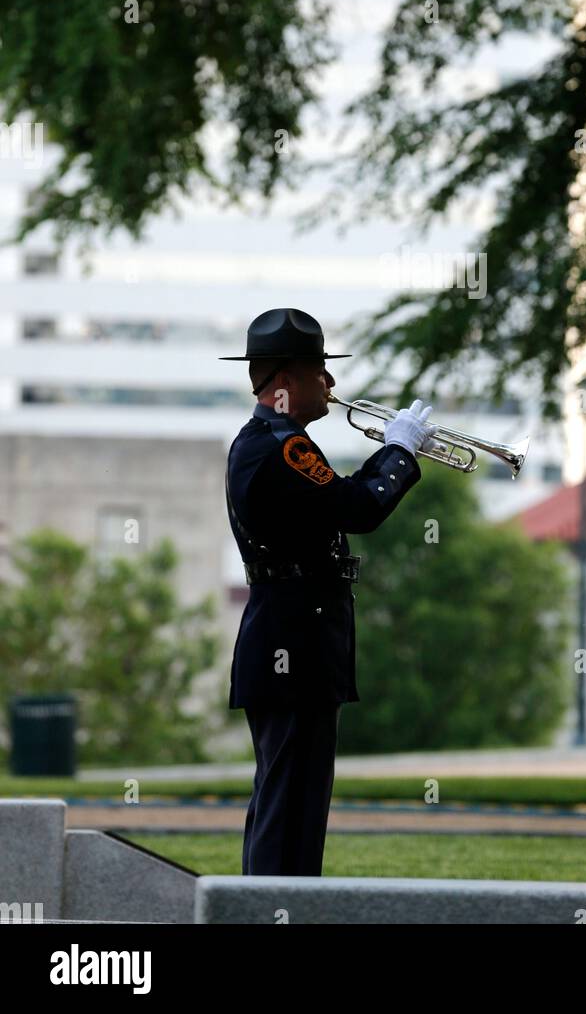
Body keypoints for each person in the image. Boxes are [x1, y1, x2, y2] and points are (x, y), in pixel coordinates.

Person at [220, 307, 431, 876]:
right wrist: (400, 452)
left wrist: (392, 452)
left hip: (290, 646)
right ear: (286, 381)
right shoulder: (283, 447)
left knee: (291, 807)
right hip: (294, 650)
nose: (330, 384)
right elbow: (358, 507)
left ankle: (272, 911)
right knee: (289, 812)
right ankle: (269, 916)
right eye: (320, 371)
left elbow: (335, 498)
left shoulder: (272, 443)